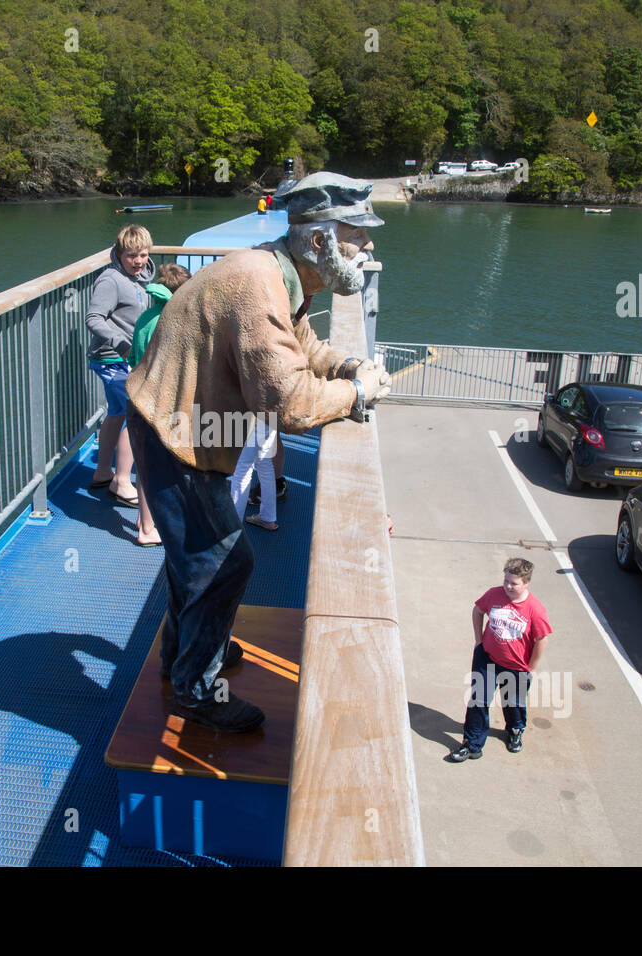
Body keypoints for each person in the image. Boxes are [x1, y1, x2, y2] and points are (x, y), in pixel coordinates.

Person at [125, 171, 392, 732]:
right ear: (319, 241)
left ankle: (189, 657)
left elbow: (300, 347)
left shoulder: (278, 272)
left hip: (187, 426)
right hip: (173, 434)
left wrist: (345, 369)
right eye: (358, 236)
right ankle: (197, 692)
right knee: (222, 563)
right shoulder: (258, 285)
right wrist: (357, 393)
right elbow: (289, 403)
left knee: (193, 561)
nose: (368, 247)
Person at [448, 558, 552, 761]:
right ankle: (472, 744)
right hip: (487, 659)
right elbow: (478, 611)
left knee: (513, 702)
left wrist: (531, 667)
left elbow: (541, 640)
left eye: (514, 583)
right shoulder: (494, 594)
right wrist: (479, 641)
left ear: (526, 583)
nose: (508, 586)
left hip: (517, 667)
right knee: (478, 701)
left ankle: (514, 731)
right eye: (506, 581)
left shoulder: (535, 609)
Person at [86, 224, 156, 509]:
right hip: (113, 359)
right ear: (118, 254)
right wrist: (123, 345)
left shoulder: (140, 278)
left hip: (126, 359)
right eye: (131, 256)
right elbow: (94, 318)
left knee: (116, 414)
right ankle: (122, 482)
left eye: (142, 254)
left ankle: (103, 471)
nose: (138, 261)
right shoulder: (111, 280)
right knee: (132, 415)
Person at [127, 262, 192, 545]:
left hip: (139, 397)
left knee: (144, 464)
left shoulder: (145, 318)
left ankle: (144, 520)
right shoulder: (177, 321)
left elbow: (132, 359)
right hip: (166, 402)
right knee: (171, 464)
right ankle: (151, 528)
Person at [231, 414, 280, 531]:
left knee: (242, 467)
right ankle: (267, 517)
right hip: (272, 413)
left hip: (256, 415)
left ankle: (232, 529)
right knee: (264, 462)